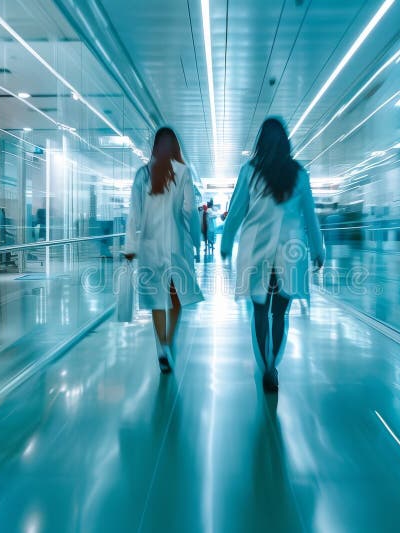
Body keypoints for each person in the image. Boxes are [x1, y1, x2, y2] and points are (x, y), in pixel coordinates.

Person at [221, 117, 324, 393]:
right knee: (279, 314)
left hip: (257, 249)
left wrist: (226, 244)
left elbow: (236, 211)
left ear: (260, 142)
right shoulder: (299, 174)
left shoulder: (249, 171)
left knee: (259, 310)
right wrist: (318, 250)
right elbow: (310, 217)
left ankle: (265, 363)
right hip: (290, 251)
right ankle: (273, 365)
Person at [124, 127, 203, 373]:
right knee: (175, 296)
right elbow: (189, 210)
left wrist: (131, 246)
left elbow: (134, 213)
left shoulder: (142, 174)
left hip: (150, 246)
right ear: (175, 148)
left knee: (157, 298)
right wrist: (196, 241)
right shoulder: (183, 172)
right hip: (175, 244)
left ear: (155, 147)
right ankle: (167, 341)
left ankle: (162, 348)